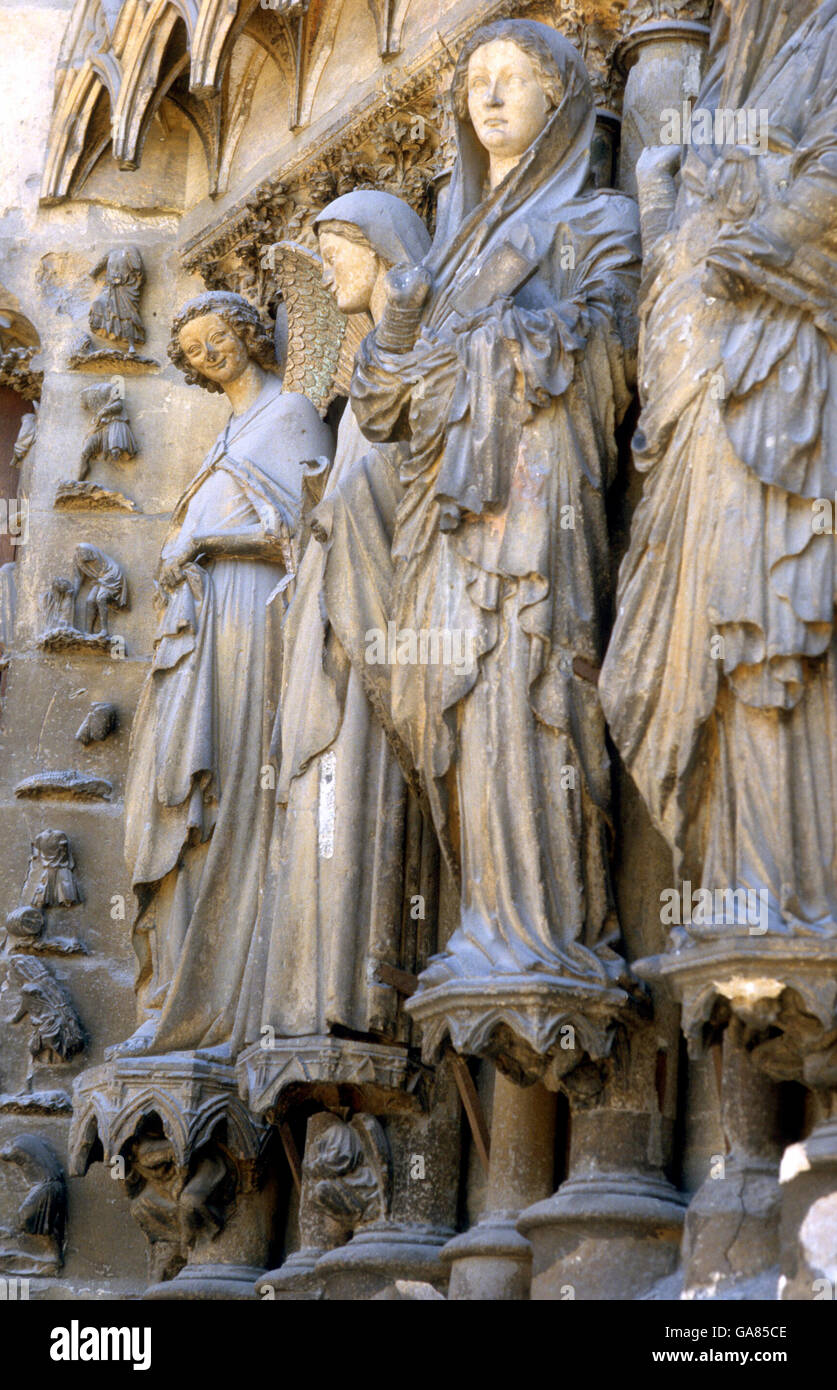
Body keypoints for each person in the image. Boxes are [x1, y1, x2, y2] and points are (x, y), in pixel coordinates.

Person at [350, 22, 640, 1019]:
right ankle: (482, 917)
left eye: (511, 76)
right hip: (442, 521)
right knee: (453, 709)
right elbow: (381, 412)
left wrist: (493, 344)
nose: (489, 95)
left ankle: (545, 925)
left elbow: (613, 355)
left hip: (535, 500)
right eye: (474, 81)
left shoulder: (597, 218)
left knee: (529, 688)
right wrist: (399, 327)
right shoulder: (446, 246)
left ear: (562, 96)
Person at [600, 0, 837, 934]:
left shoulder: (822, 34)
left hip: (782, 388)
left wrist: (760, 230)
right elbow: (678, 259)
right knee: (716, 636)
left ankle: (798, 891)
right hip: (700, 398)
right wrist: (667, 209)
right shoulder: (733, 62)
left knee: (776, 626)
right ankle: (737, 883)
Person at [113, 290, 333, 1057]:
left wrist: (212, 544)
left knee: (233, 787)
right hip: (198, 631)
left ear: (248, 334)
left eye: (219, 339)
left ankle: (225, 1001)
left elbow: (319, 535)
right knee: (176, 800)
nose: (210, 356)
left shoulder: (294, 414)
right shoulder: (227, 432)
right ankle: (175, 996)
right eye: (195, 351)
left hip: (251, 625)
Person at [247, 191, 435, 1043]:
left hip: (380, 614)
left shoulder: (414, 342)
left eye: (338, 255)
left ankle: (358, 996)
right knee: (309, 790)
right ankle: (302, 996)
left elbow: (426, 474)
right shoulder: (361, 364)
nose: (328, 276)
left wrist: (345, 512)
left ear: (383, 249)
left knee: (350, 780)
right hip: (329, 600)